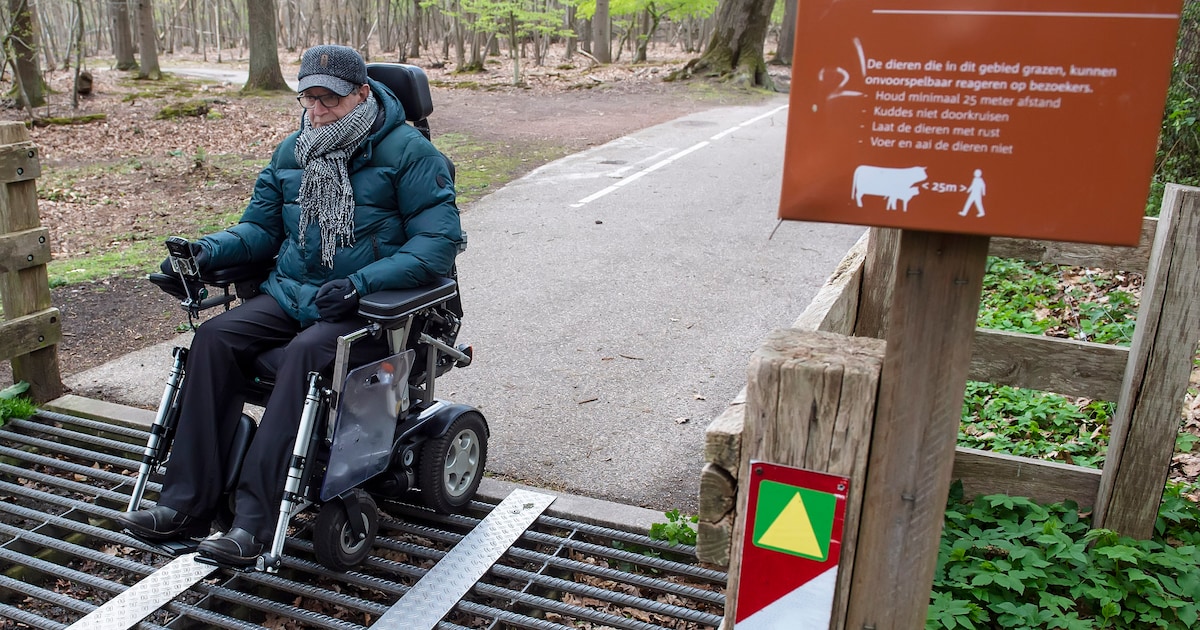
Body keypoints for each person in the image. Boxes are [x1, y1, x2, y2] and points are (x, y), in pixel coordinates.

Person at [116, 45, 462, 566]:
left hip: (370, 310)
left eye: (329, 99)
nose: (317, 111)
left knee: (303, 355)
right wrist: (203, 254)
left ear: (362, 94)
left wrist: (362, 282)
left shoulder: (411, 153)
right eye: (308, 99)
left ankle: (252, 523)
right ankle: (184, 504)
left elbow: (438, 245)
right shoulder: (292, 151)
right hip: (294, 294)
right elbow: (259, 229)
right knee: (213, 339)